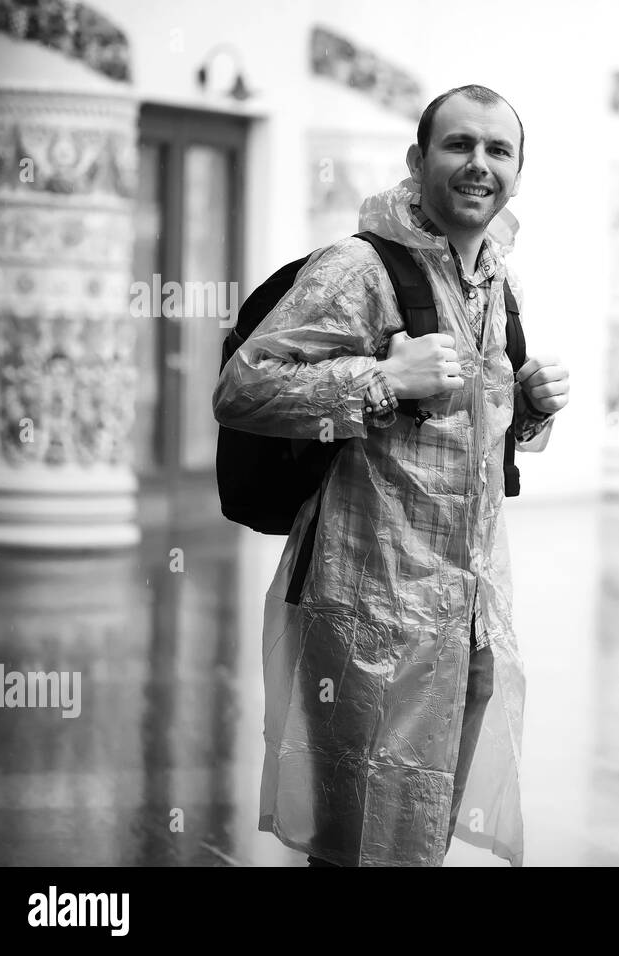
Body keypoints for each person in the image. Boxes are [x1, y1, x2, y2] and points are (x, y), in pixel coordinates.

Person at [212, 84, 569, 867]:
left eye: (498, 150)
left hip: (469, 624)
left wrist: (533, 408)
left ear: (518, 172)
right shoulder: (360, 268)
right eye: (458, 145)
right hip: (367, 613)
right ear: (418, 160)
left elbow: (467, 442)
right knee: (354, 846)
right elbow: (242, 388)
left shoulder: (496, 285)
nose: (479, 164)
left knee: (419, 841)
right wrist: (379, 375)